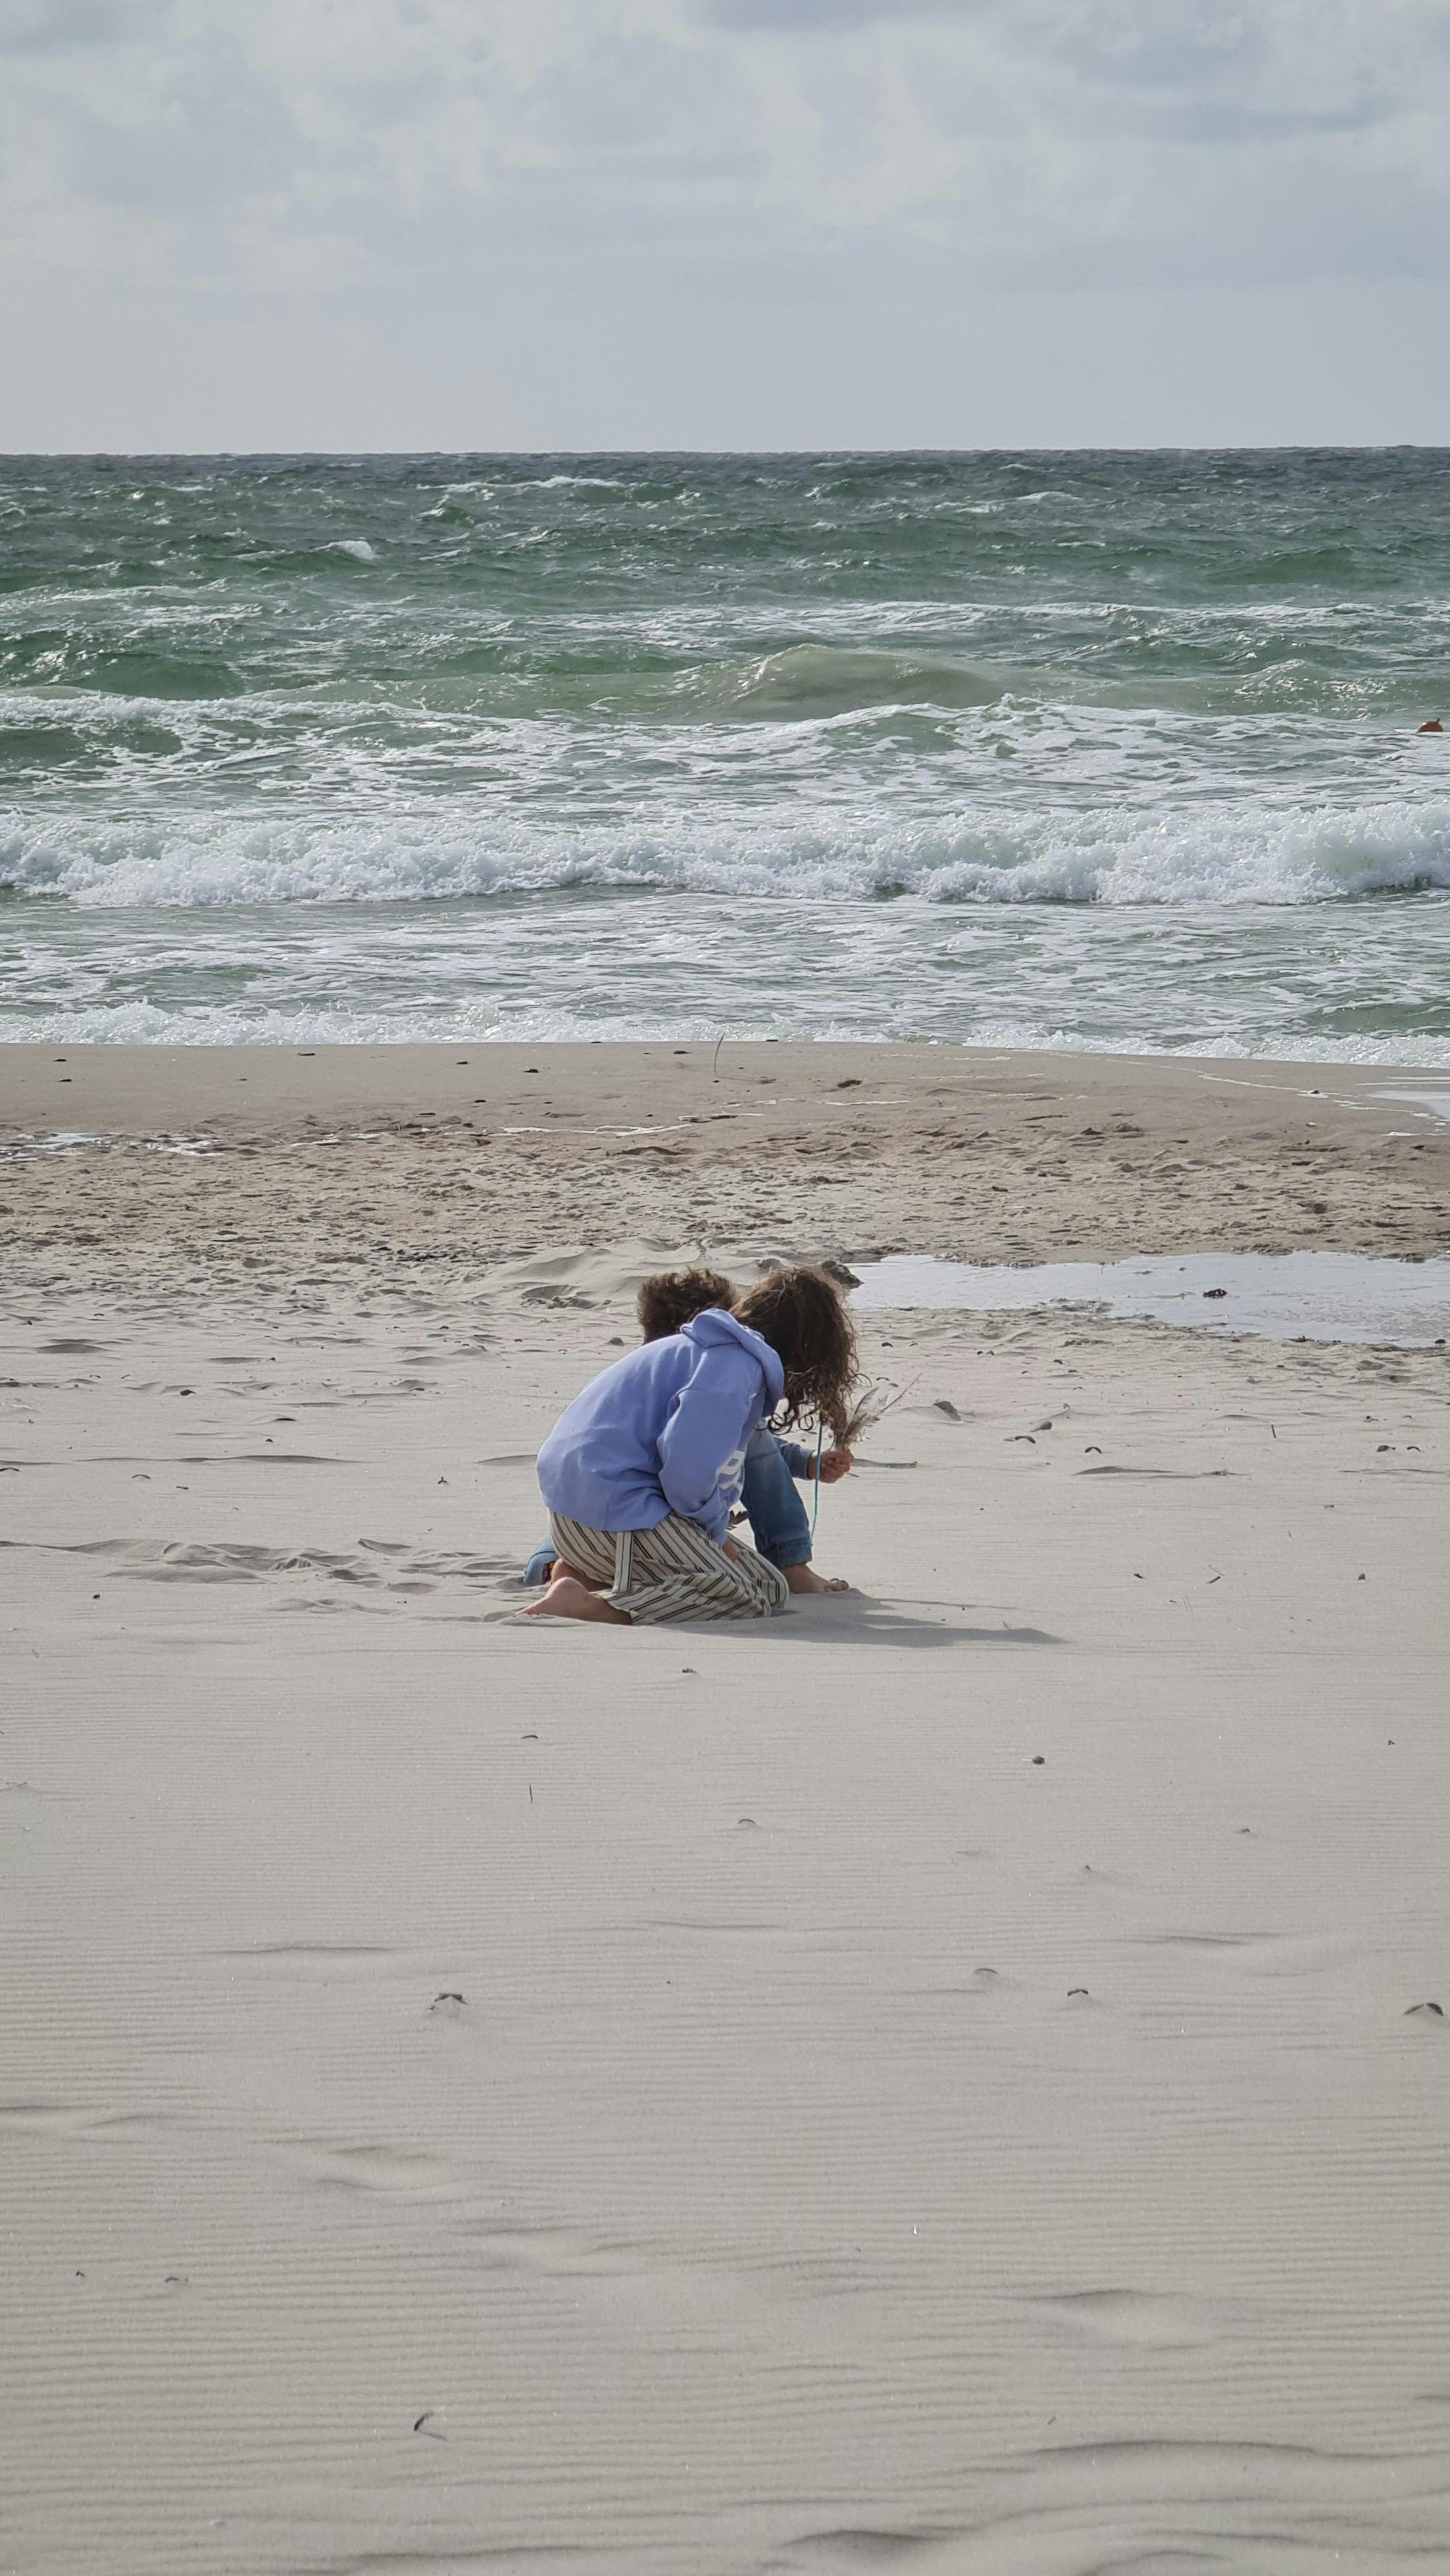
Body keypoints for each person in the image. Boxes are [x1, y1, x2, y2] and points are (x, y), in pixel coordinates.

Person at [524, 1265, 859, 1626]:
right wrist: (714, 1532)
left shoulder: (710, 1353)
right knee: (742, 1597)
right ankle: (587, 1607)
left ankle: (589, 1575)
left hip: (583, 1509)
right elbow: (686, 1469)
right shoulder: (732, 1368)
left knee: (771, 1586)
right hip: (616, 1510)